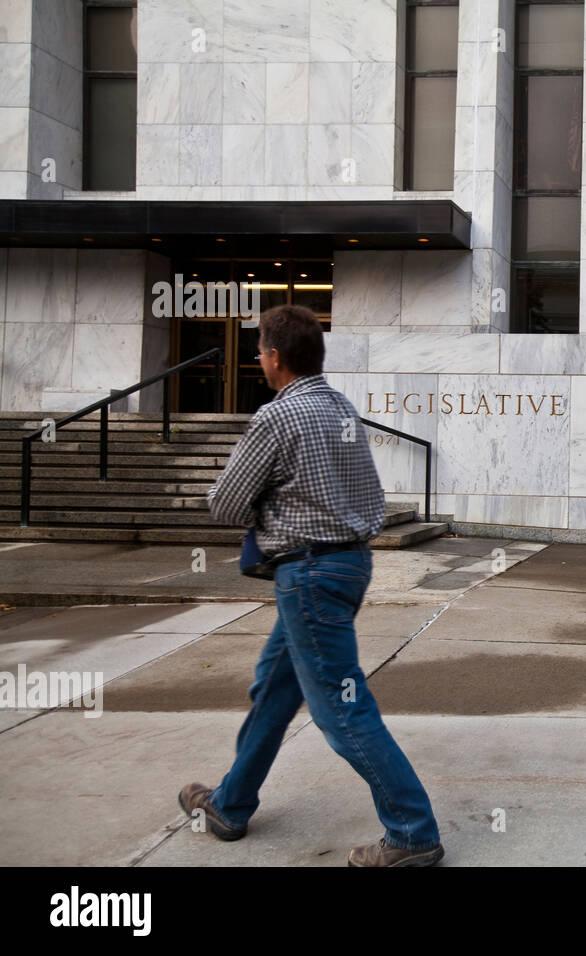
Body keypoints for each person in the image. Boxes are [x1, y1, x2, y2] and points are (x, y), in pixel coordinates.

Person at [179, 304, 443, 867]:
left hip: (307, 575)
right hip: (349, 567)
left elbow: (224, 505)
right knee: (274, 688)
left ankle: (413, 831)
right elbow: (373, 502)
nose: (258, 359)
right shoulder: (342, 410)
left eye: (259, 351)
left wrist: (269, 507)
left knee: (342, 708)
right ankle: (229, 803)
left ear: (275, 357)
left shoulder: (277, 417)